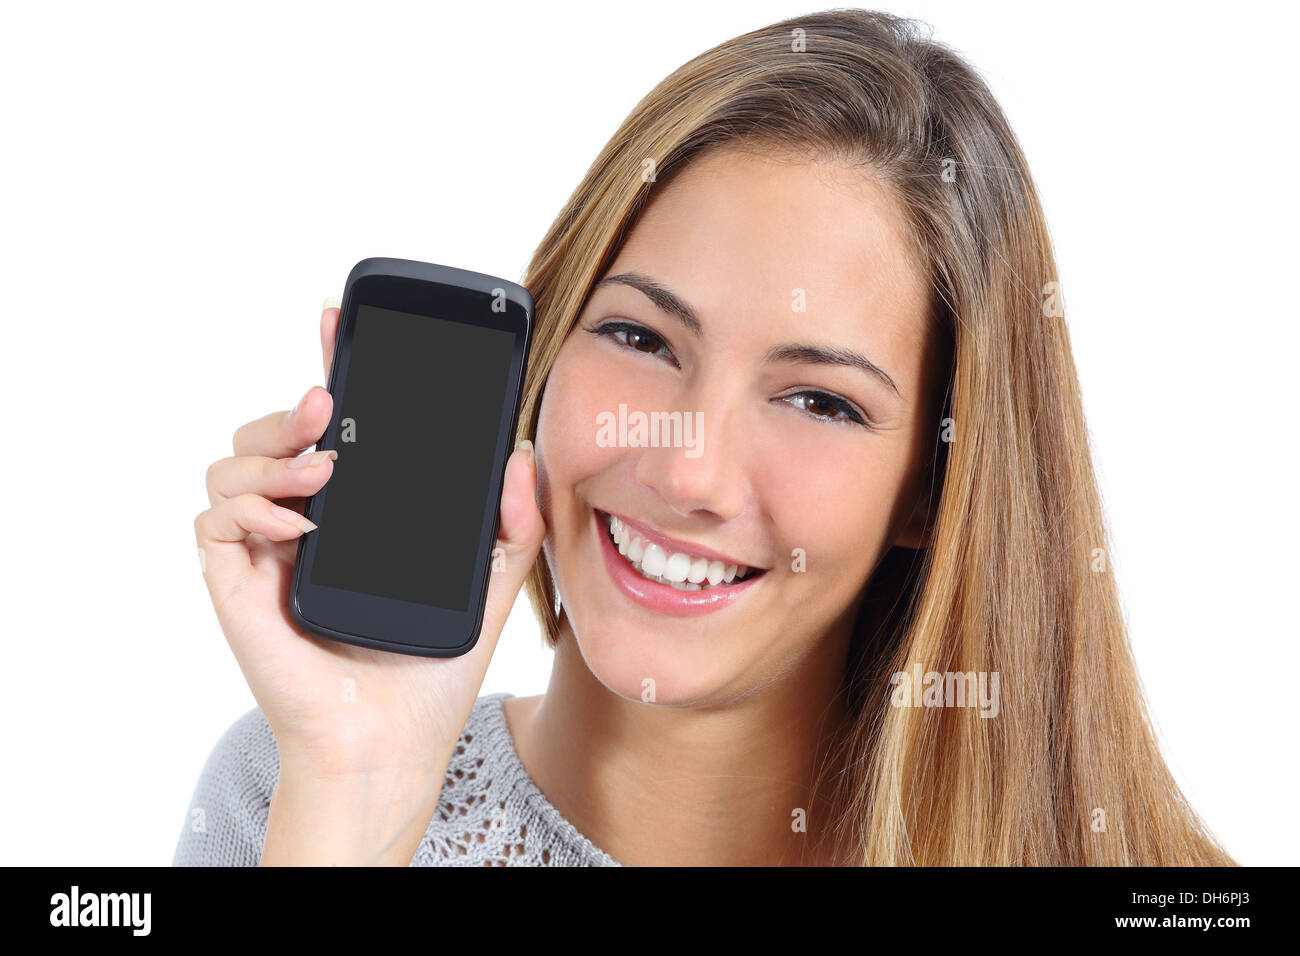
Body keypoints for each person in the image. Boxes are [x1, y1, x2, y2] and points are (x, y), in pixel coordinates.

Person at [179, 8, 1234, 866]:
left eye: (820, 401)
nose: (688, 468)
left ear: (934, 485)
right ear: (540, 358)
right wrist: (353, 804)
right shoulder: (290, 793)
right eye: (640, 337)